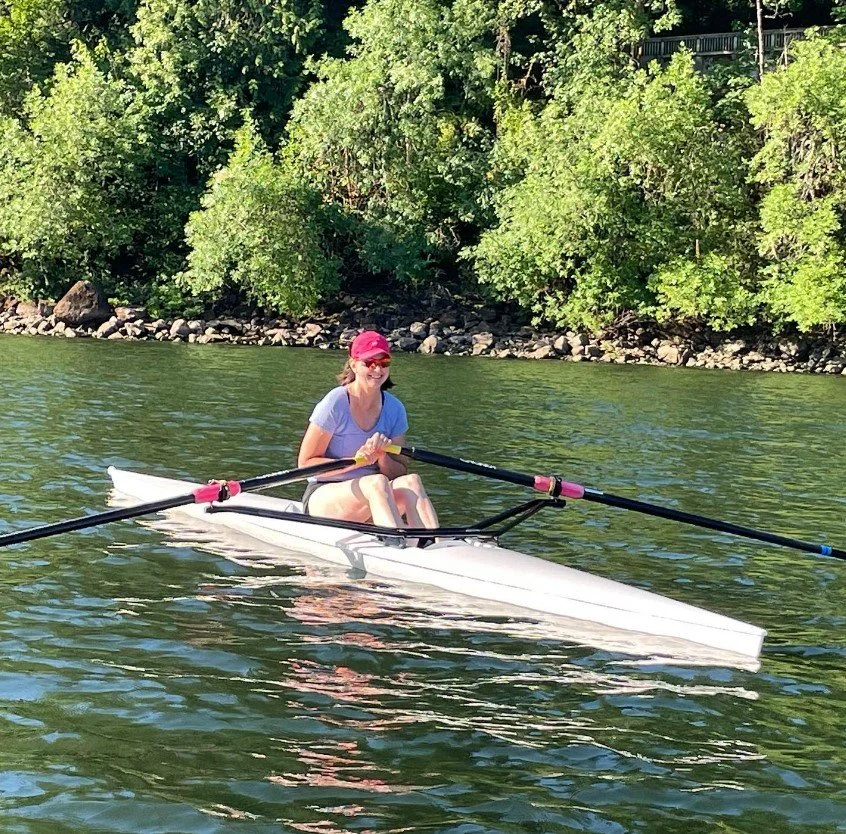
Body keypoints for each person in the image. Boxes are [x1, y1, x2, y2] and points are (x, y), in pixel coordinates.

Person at [297, 330, 439, 531]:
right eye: (369, 363)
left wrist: (382, 456)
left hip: (375, 496)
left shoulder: (395, 408)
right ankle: (397, 543)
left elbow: (399, 471)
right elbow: (305, 464)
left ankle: (434, 543)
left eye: (384, 363)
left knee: (412, 482)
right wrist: (357, 461)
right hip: (324, 496)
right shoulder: (335, 402)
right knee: (376, 483)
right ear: (354, 364)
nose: (378, 369)